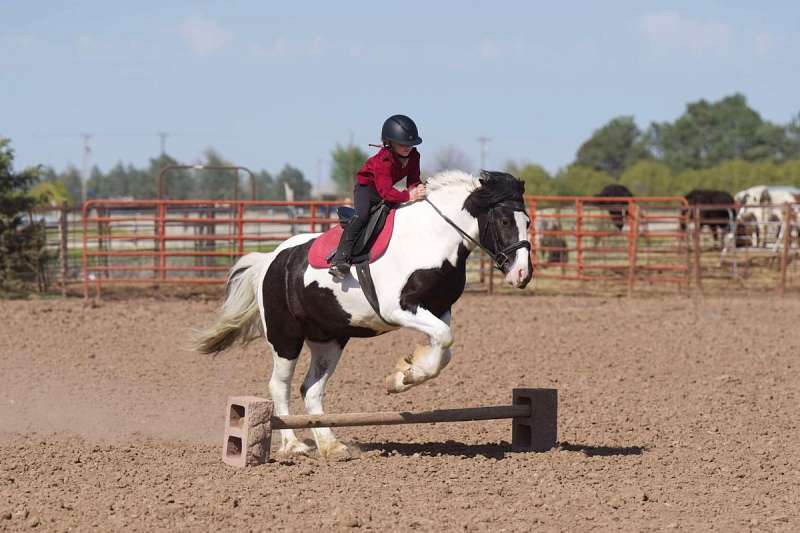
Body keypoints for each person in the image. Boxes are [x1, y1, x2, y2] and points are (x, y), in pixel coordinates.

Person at [328, 114, 428, 280]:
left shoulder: (414, 156)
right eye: (403, 144)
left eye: (410, 143)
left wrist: (419, 189)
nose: (408, 147)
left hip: (387, 189)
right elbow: (386, 193)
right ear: (390, 142)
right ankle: (339, 259)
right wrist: (409, 195)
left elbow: (413, 181)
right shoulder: (383, 160)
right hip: (367, 189)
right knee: (362, 216)